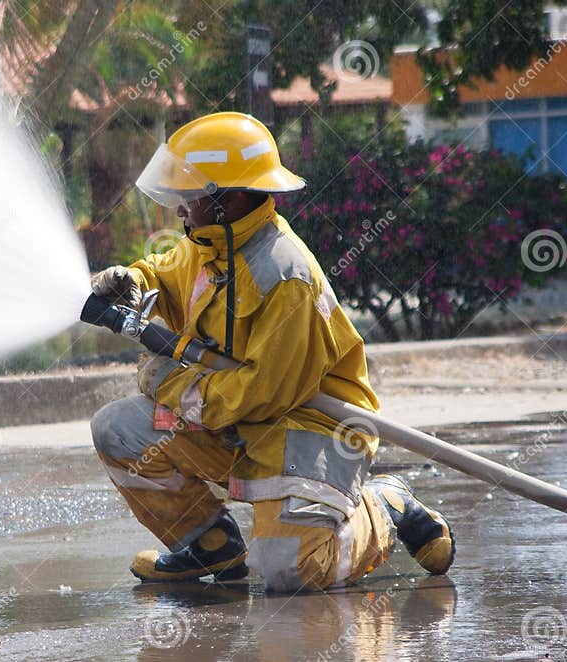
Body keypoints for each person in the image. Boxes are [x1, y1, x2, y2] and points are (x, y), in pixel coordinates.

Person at [89, 111, 454, 592]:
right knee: (118, 430)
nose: (179, 210)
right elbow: (166, 272)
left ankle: (383, 506)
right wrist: (135, 279)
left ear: (229, 199)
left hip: (308, 432)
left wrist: (166, 382)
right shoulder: (209, 244)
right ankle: (211, 544)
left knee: (292, 573)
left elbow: (261, 394)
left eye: (190, 196)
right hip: (237, 424)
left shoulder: (284, 276)